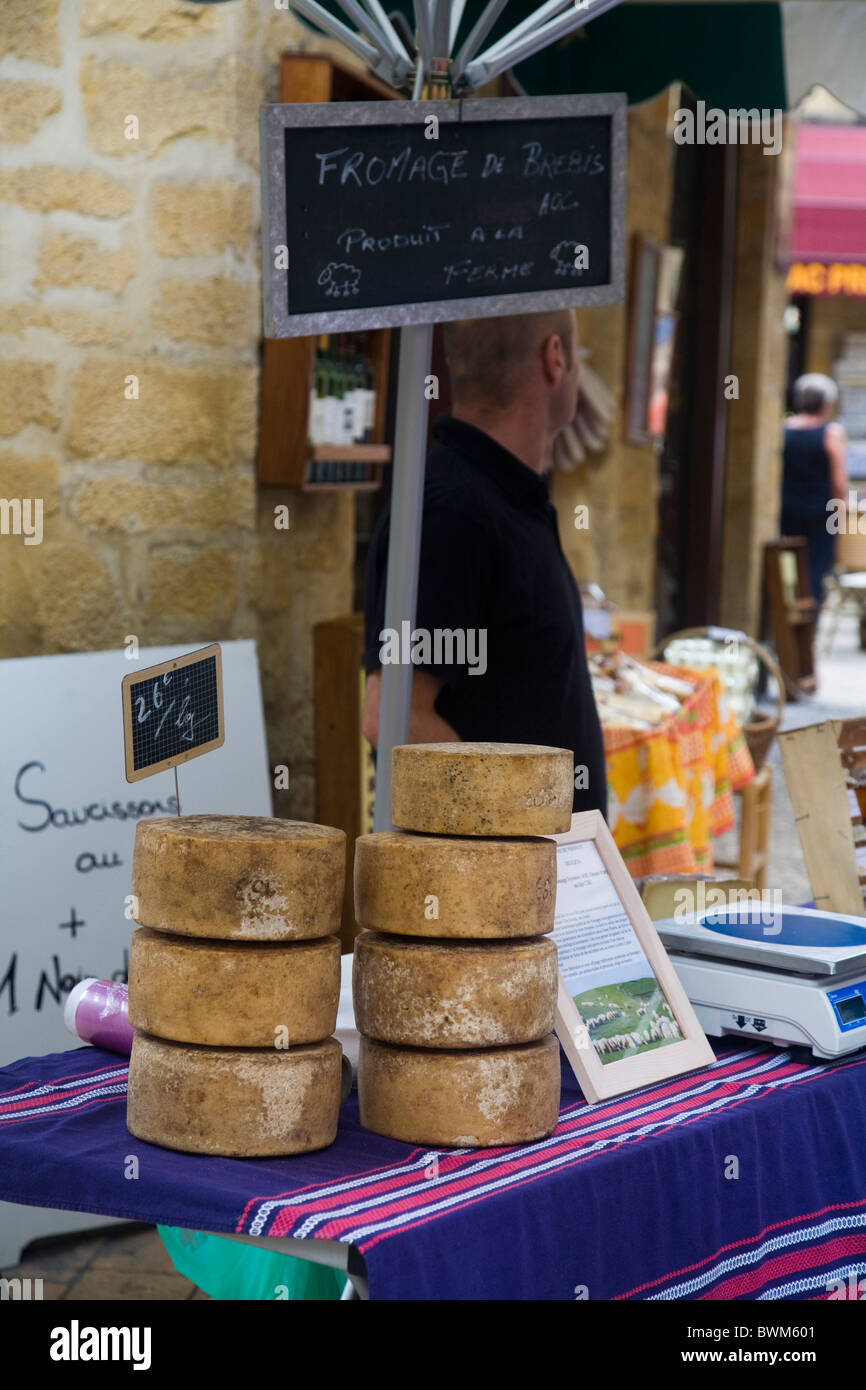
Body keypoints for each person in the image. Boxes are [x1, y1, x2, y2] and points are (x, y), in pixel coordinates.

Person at [362, 309, 607, 818]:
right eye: (579, 355)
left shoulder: (504, 496)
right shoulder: (452, 511)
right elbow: (394, 717)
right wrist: (518, 840)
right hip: (486, 890)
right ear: (554, 358)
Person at [781, 373, 848, 603]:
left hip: (787, 509)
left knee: (789, 567)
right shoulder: (831, 433)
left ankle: (789, 617)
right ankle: (807, 623)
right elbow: (839, 480)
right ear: (826, 403)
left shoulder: (784, 430)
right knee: (815, 570)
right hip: (820, 513)